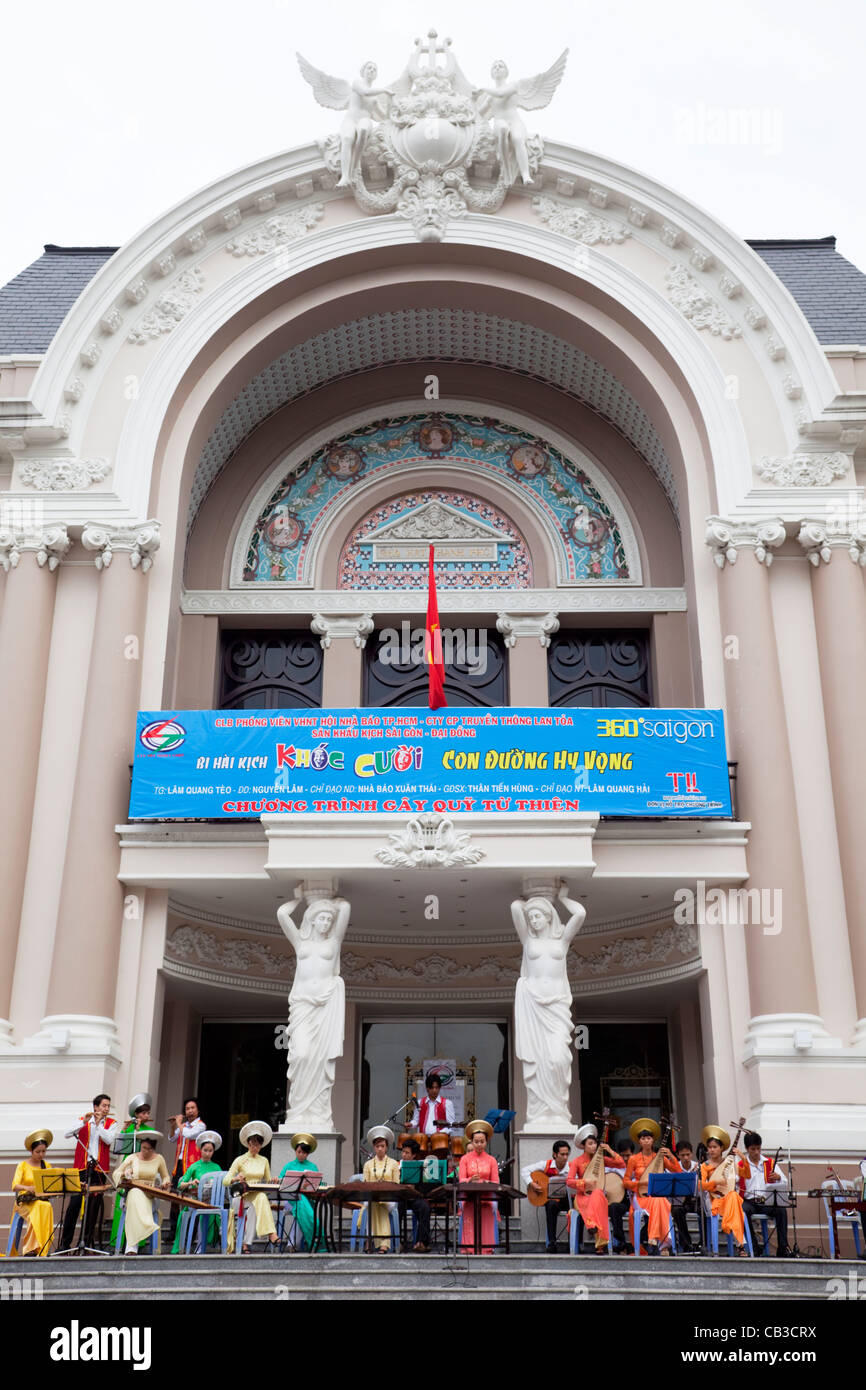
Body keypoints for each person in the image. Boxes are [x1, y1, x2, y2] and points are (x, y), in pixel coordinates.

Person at [511, 885, 585, 1130]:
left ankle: (558, 1111)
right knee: (537, 1060)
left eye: (538, 916)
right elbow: (514, 908)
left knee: (558, 1058)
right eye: (531, 917)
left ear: (549, 916)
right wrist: (529, 902)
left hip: (556, 1008)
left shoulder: (561, 941)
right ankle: (539, 1113)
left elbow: (580, 915)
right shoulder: (528, 941)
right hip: (533, 1005)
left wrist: (562, 898)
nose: (533, 921)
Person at [59, 1094, 117, 1250]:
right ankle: (65, 1244)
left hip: (99, 1169)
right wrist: (85, 1122)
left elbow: (109, 1140)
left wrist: (98, 1125)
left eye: (108, 1106)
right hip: (81, 1168)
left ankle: (84, 1244)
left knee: (93, 1208)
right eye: (103, 1106)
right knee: (74, 1205)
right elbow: (67, 1133)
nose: (106, 1109)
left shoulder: (111, 1123)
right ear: (96, 1107)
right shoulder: (84, 1120)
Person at [623, 1119, 681, 1255]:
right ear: (639, 1142)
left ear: (653, 1140)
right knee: (660, 1202)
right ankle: (664, 1246)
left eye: (649, 1138)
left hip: (656, 1196)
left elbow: (677, 1172)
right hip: (641, 1197)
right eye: (643, 1138)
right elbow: (625, 1182)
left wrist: (671, 1156)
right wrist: (640, 1184)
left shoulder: (659, 1157)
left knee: (659, 1201)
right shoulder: (634, 1159)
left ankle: (654, 1238)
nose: (646, 1141)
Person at [567, 1124, 625, 1254]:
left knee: (598, 1193)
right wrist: (584, 1182)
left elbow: (621, 1163)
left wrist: (609, 1150)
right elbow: (569, 1181)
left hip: (597, 1197)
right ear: (583, 1146)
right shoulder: (577, 1161)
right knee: (598, 1202)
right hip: (582, 1197)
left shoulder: (601, 1159)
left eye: (595, 1143)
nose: (593, 1146)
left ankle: (593, 1227)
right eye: (590, 1144)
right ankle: (599, 1244)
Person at [112, 1130, 171, 1253]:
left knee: (137, 1200)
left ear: (153, 1149)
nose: (146, 1151)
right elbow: (116, 1173)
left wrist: (165, 1182)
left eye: (149, 1149)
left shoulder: (159, 1158)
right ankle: (145, 1227)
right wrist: (125, 1173)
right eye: (144, 1148)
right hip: (133, 1192)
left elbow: (166, 1176)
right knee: (135, 1194)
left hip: (150, 1196)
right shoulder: (132, 1157)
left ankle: (132, 1247)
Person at [226, 1121, 279, 1253]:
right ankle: (271, 1234)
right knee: (260, 1199)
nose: (254, 1147)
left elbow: (268, 1180)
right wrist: (236, 1178)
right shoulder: (240, 1160)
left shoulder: (264, 1160)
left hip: (256, 1197)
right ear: (248, 1143)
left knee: (258, 1202)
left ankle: (246, 1243)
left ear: (261, 1145)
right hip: (241, 1197)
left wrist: (273, 1181)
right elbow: (225, 1180)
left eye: (257, 1144)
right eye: (252, 1144)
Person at [110, 1093, 154, 1250]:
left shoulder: (149, 1130)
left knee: (138, 1202)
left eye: (148, 1113)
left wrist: (138, 1130)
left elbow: (149, 1150)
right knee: (123, 1202)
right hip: (128, 1166)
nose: (146, 1115)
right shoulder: (129, 1128)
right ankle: (118, 1240)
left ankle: (136, 1242)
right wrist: (125, 1129)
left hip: (141, 1168)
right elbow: (121, 1147)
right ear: (136, 1114)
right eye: (143, 1113)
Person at [699, 1125, 748, 1256]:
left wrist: (743, 1158)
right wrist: (715, 1182)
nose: (712, 1150)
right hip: (713, 1201)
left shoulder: (729, 1162)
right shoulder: (705, 1166)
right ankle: (741, 1245)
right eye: (710, 1147)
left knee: (733, 1196)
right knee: (734, 1202)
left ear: (721, 1148)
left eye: (715, 1147)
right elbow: (701, 1186)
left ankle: (739, 1243)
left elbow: (746, 1174)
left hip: (728, 1199)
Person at [740, 1131, 790, 1257]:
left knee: (781, 1211)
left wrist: (778, 1177)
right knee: (743, 1211)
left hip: (766, 1200)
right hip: (750, 1201)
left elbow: (784, 1181)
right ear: (747, 1149)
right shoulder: (741, 1164)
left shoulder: (770, 1163)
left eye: (758, 1148)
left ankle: (783, 1248)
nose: (756, 1152)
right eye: (753, 1149)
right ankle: (754, 1247)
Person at [172, 1130, 223, 1253]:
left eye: (210, 1151)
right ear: (200, 1150)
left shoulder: (216, 1167)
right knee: (197, 1211)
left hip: (210, 1201)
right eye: (205, 1150)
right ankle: (189, 1246)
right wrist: (191, 1182)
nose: (207, 1153)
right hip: (194, 1201)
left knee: (210, 1211)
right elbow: (180, 1185)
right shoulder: (194, 1166)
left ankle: (202, 1245)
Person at [167, 1096, 206, 1245]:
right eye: (187, 1108)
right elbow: (172, 1138)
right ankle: (172, 1231)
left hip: (192, 1166)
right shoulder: (182, 1125)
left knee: (191, 1198)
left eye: (192, 1108)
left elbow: (189, 1135)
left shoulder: (200, 1125)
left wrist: (178, 1124)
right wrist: (173, 1126)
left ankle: (191, 1231)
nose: (189, 1111)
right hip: (179, 1164)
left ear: (197, 1110)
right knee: (174, 1198)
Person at [521, 1138, 572, 1252]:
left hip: (567, 1200)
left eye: (567, 1154)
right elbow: (524, 1170)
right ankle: (552, 1243)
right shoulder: (545, 1164)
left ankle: (573, 1243)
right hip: (553, 1201)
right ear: (555, 1154)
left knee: (575, 1209)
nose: (565, 1157)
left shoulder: (571, 1168)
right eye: (562, 1154)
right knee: (551, 1205)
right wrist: (532, 1184)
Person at [11, 1129, 55, 1256]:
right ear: (31, 1151)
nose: (41, 1154)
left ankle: (40, 1247)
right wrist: (28, 1188)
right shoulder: (23, 1165)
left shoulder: (46, 1165)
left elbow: (50, 1186)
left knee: (46, 1206)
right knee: (38, 1208)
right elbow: (15, 1186)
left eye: (43, 1151)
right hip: (24, 1202)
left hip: (40, 1200)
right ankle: (31, 1248)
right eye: (38, 1152)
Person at [458, 1120, 499, 1254]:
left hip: (486, 1198)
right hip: (469, 1198)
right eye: (476, 1141)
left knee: (486, 1224)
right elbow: (461, 1180)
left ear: (486, 1142)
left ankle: (486, 1250)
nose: (479, 1144)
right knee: (469, 1223)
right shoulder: (465, 1159)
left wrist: (486, 1182)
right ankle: (469, 1250)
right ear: (472, 1141)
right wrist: (470, 1180)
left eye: (482, 1141)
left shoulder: (491, 1160)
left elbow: (496, 1182)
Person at [278, 1133, 324, 1252]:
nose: (301, 1155)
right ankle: (312, 1241)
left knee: (301, 1209)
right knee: (300, 1204)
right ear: (295, 1151)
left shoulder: (312, 1166)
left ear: (307, 1154)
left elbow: (317, 1184)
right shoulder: (289, 1165)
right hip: (291, 1199)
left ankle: (292, 1244)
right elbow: (280, 1182)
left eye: (304, 1153)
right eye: (299, 1152)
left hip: (307, 1200)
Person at [362, 1125, 400, 1252]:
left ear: (387, 1147)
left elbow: (396, 1184)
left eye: (382, 1146)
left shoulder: (394, 1163)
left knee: (381, 1204)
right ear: (374, 1147)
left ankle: (373, 1240)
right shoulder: (368, 1164)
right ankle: (377, 1241)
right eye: (377, 1146)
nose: (380, 1149)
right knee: (373, 1204)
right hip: (371, 1197)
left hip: (389, 1198)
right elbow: (365, 1184)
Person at [399, 1137, 433, 1253]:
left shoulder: (421, 1167)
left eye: (407, 1153)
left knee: (425, 1207)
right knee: (396, 1209)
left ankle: (422, 1242)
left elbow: (426, 1188)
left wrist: (415, 1188)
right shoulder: (397, 1165)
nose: (403, 1155)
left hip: (414, 1198)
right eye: (403, 1152)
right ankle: (398, 1241)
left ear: (414, 1155)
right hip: (400, 1198)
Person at [671, 1139, 700, 1254]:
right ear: (678, 1155)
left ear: (691, 1154)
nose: (686, 1158)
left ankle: (702, 1243)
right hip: (681, 1201)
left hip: (695, 1200)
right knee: (677, 1211)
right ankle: (687, 1244)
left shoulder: (698, 1167)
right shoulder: (674, 1167)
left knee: (704, 1211)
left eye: (688, 1154)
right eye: (682, 1155)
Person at [410, 1071, 455, 1136]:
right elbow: (416, 1121)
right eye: (432, 1088)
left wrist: (440, 1133)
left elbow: (451, 1124)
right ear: (427, 1088)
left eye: (436, 1087)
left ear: (439, 1088)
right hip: (423, 1138)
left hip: (440, 1139)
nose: (434, 1090)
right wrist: (411, 1124)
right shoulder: (420, 1102)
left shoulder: (447, 1103)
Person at [609, 1139, 634, 1253]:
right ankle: (620, 1241)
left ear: (633, 1154)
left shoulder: (638, 1168)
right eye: (622, 1155)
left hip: (636, 1200)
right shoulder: (613, 1168)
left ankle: (642, 1241)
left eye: (628, 1155)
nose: (625, 1158)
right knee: (613, 1207)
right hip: (622, 1202)